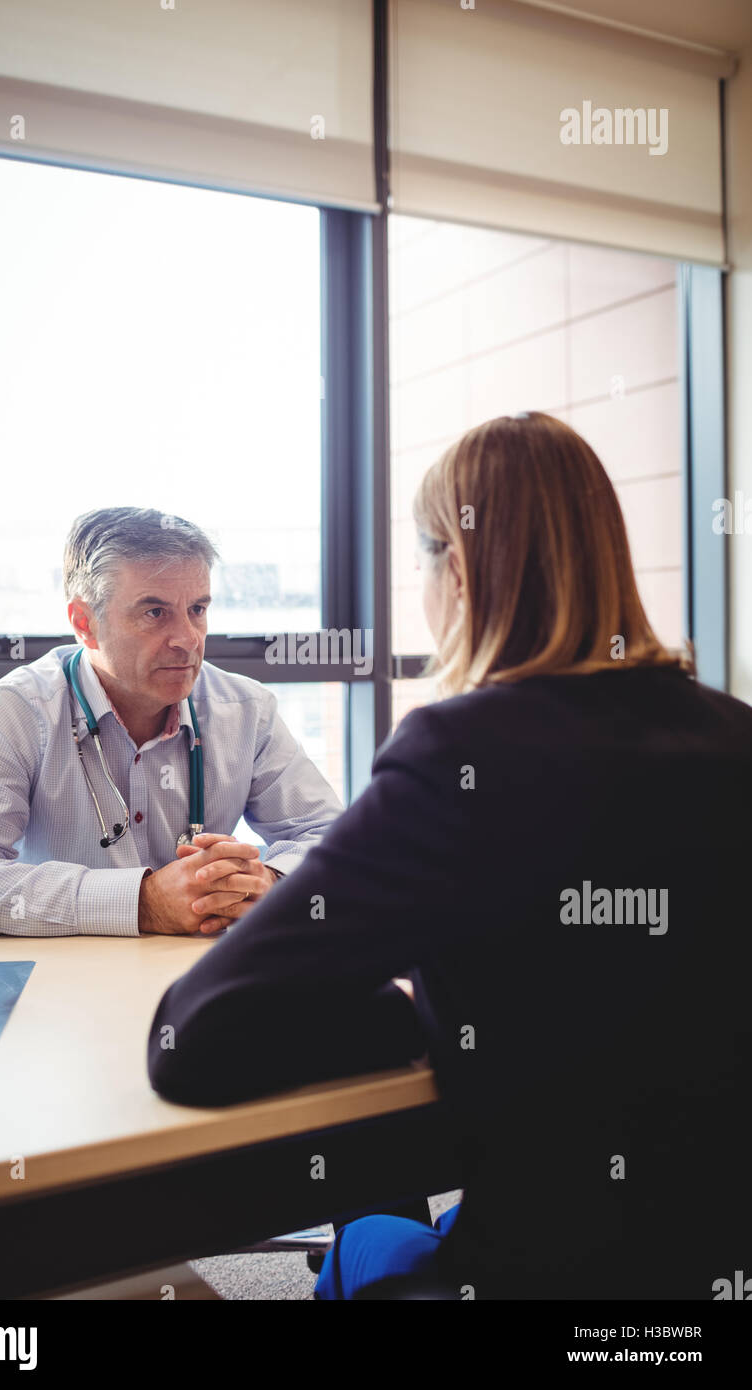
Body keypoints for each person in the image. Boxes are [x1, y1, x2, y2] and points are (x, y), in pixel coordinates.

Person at [147, 412, 752, 1299]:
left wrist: (414, 1018)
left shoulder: (462, 757)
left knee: (371, 1225)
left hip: (540, 1277)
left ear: (457, 572)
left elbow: (191, 1039)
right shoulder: (734, 734)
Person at [0, 508, 342, 937]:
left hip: (197, 978)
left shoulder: (247, 710)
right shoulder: (14, 711)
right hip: (61, 987)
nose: (188, 639)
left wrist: (268, 882)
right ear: (85, 623)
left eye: (197, 609)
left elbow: (335, 842)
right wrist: (141, 902)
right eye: (155, 613)